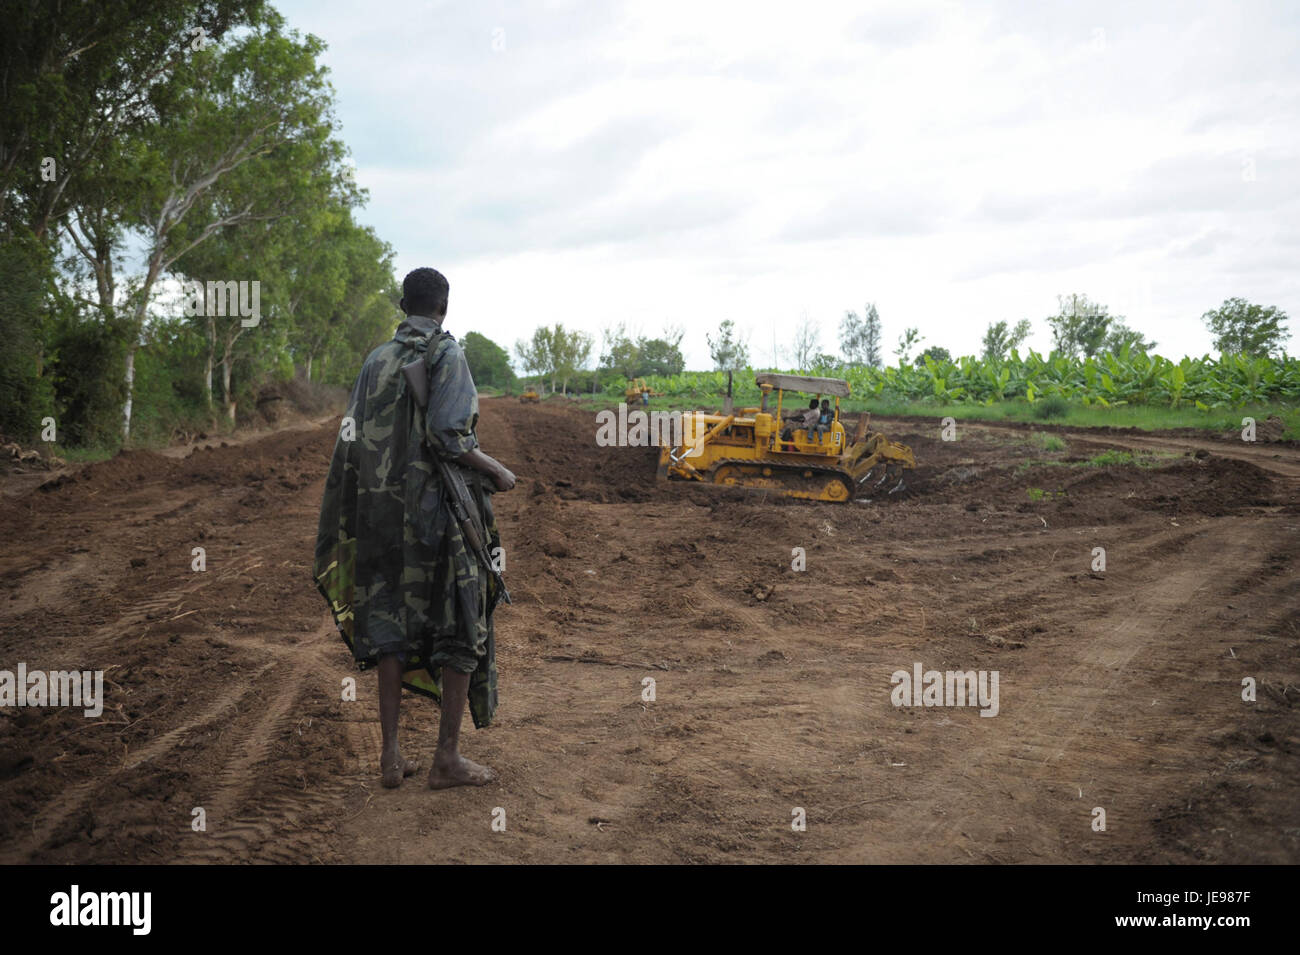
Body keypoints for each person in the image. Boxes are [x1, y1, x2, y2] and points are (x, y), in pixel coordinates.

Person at [313, 267, 517, 791]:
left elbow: (353, 439)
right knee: (462, 623)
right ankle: (445, 758)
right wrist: (496, 471)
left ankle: (390, 756)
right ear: (444, 306)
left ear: (404, 305)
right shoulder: (446, 352)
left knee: (389, 627)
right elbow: (450, 436)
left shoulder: (375, 360)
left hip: (379, 517)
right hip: (436, 518)